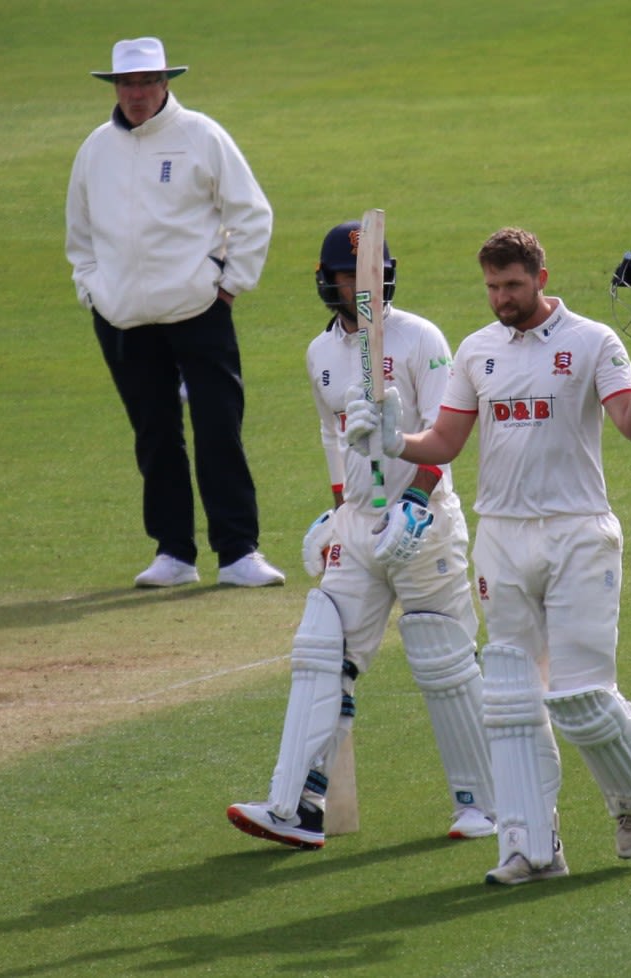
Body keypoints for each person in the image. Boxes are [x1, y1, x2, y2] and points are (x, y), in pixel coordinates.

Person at [345, 227, 631, 885]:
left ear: (540, 277)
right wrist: (394, 440)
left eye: (511, 285)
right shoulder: (478, 351)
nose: (500, 298)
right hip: (501, 538)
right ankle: (530, 849)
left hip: (578, 532)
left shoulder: (594, 341)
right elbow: (446, 441)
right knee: (510, 700)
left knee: (579, 696)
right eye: (491, 286)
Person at [226, 221, 495, 849]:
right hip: (359, 524)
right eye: (348, 277)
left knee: (443, 658)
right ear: (327, 282)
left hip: (424, 525)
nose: (358, 286)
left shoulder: (420, 337)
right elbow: (332, 434)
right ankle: (298, 806)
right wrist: (337, 510)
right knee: (323, 651)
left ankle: (486, 804)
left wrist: (420, 501)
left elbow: (448, 426)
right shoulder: (320, 354)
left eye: (366, 274)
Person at [65, 36, 284, 589]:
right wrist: (94, 291)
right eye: (126, 83)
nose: (136, 93)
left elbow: (251, 214)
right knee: (155, 434)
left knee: (218, 427)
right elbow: (80, 236)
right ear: (115, 87)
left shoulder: (200, 136)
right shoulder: (95, 149)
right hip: (122, 317)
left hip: (197, 308)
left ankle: (238, 552)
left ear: (166, 83)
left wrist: (229, 286)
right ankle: (174, 553)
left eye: (146, 82)